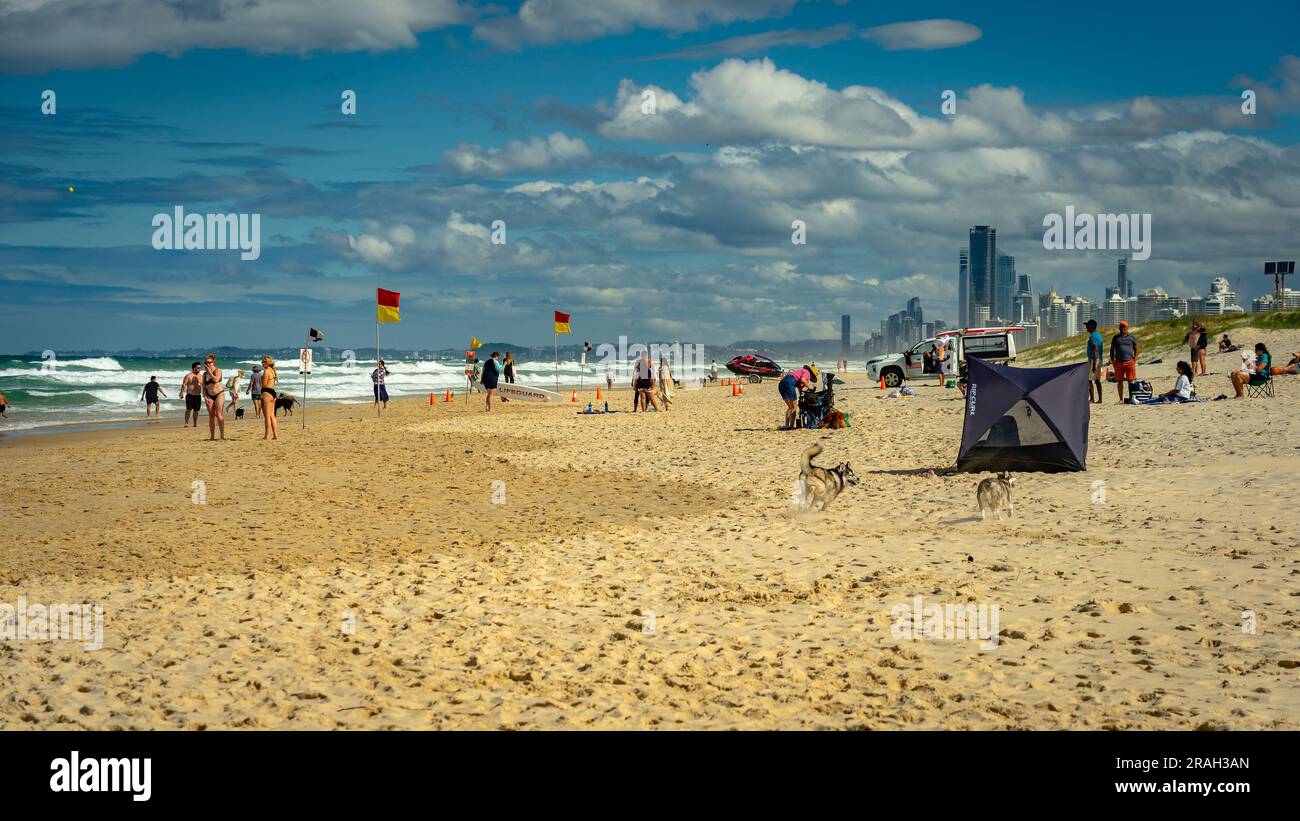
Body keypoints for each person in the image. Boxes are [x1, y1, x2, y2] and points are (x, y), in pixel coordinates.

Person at [1109, 321, 1139, 403]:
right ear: (1119, 328)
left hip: (1129, 362)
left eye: (1124, 327)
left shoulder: (1132, 337)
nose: (1122, 329)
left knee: (1131, 381)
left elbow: (1136, 348)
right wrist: (1112, 360)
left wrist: (1135, 359)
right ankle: (1121, 399)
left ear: (1127, 328)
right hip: (1118, 363)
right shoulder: (1115, 338)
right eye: (1121, 327)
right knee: (1119, 381)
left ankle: (1131, 398)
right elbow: (1112, 349)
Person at [202, 354, 226, 440]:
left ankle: (222, 436)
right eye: (206, 363)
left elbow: (216, 380)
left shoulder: (218, 370)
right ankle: (212, 436)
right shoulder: (204, 374)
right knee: (211, 415)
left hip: (219, 394)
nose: (207, 364)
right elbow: (204, 387)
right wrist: (205, 397)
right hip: (209, 395)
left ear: (213, 362)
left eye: (209, 362)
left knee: (219, 414)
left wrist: (210, 372)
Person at [259, 356, 279, 440]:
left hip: (266, 393)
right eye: (262, 362)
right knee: (272, 416)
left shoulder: (266, 371)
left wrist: (261, 378)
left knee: (267, 416)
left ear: (269, 362)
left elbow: (263, 384)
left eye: (265, 362)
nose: (263, 363)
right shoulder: (272, 371)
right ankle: (275, 435)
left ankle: (266, 435)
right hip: (272, 392)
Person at [1085, 319, 1104, 404]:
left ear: (1091, 327)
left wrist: (1094, 364)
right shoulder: (1098, 335)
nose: (1086, 327)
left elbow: (1095, 349)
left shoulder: (1093, 336)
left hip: (1094, 359)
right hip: (1099, 359)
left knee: (1089, 380)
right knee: (1097, 380)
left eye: (1087, 326)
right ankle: (1100, 399)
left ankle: (1092, 399)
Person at [180, 361, 203, 427]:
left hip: (198, 396)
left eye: (200, 368)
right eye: (198, 368)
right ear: (194, 368)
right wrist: (181, 393)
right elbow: (184, 385)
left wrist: (205, 394)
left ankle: (195, 423)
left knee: (196, 410)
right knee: (188, 409)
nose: (199, 369)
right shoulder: (188, 376)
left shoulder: (201, 377)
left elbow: (204, 386)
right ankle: (186, 423)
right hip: (190, 395)